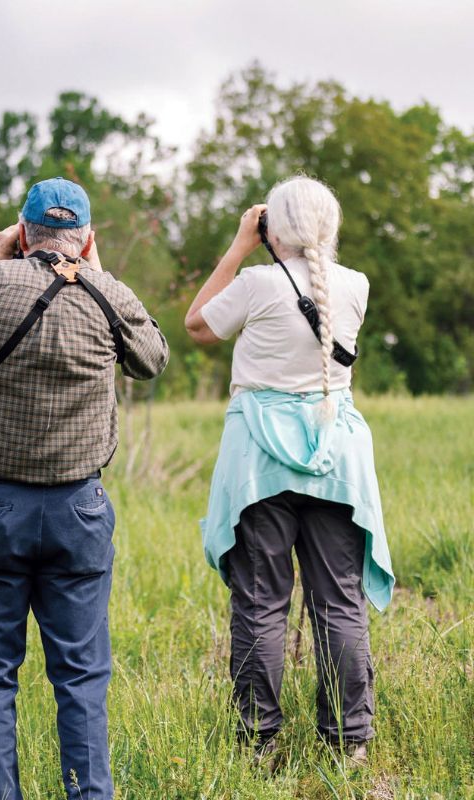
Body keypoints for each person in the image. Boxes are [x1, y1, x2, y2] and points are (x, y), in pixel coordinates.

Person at [0, 178, 169, 800]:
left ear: (22, 232)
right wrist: (97, 273)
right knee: (81, 678)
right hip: (78, 508)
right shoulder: (109, 294)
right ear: (86, 237)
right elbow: (152, 358)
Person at [184, 176, 394, 769]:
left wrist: (239, 246)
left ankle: (259, 741)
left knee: (260, 603)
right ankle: (350, 739)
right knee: (339, 603)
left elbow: (197, 325)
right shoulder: (355, 286)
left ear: (271, 226)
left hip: (260, 462)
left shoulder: (254, 283)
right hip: (338, 460)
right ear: (331, 226)